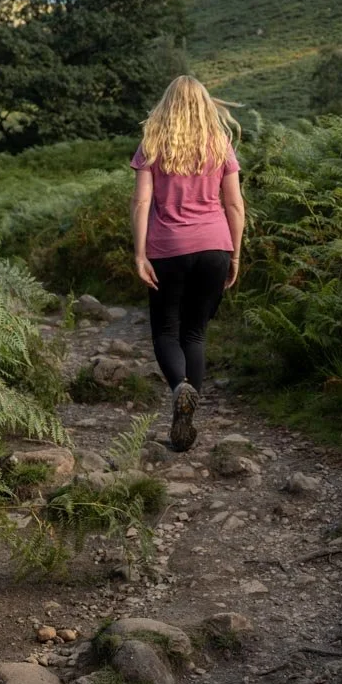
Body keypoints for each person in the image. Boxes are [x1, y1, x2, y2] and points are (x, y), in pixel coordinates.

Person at [129, 75, 245, 451]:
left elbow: (142, 203)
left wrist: (140, 253)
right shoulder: (219, 145)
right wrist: (235, 254)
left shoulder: (152, 144)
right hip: (215, 246)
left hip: (168, 248)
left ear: (167, 105)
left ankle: (180, 387)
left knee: (166, 330)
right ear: (206, 106)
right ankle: (188, 412)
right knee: (194, 333)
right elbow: (234, 205)